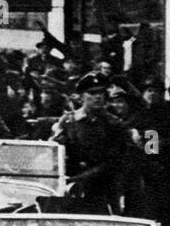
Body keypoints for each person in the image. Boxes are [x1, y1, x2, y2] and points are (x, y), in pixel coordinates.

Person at [55, 72, 131, 212]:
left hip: (103, 190)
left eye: (101, 93)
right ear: (81, 96)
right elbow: (56, 151)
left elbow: (114, 162)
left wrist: (79, 178)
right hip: (72, 191)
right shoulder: (68, 121)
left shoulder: (114, 124)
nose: (98, 97)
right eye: (92, 93)